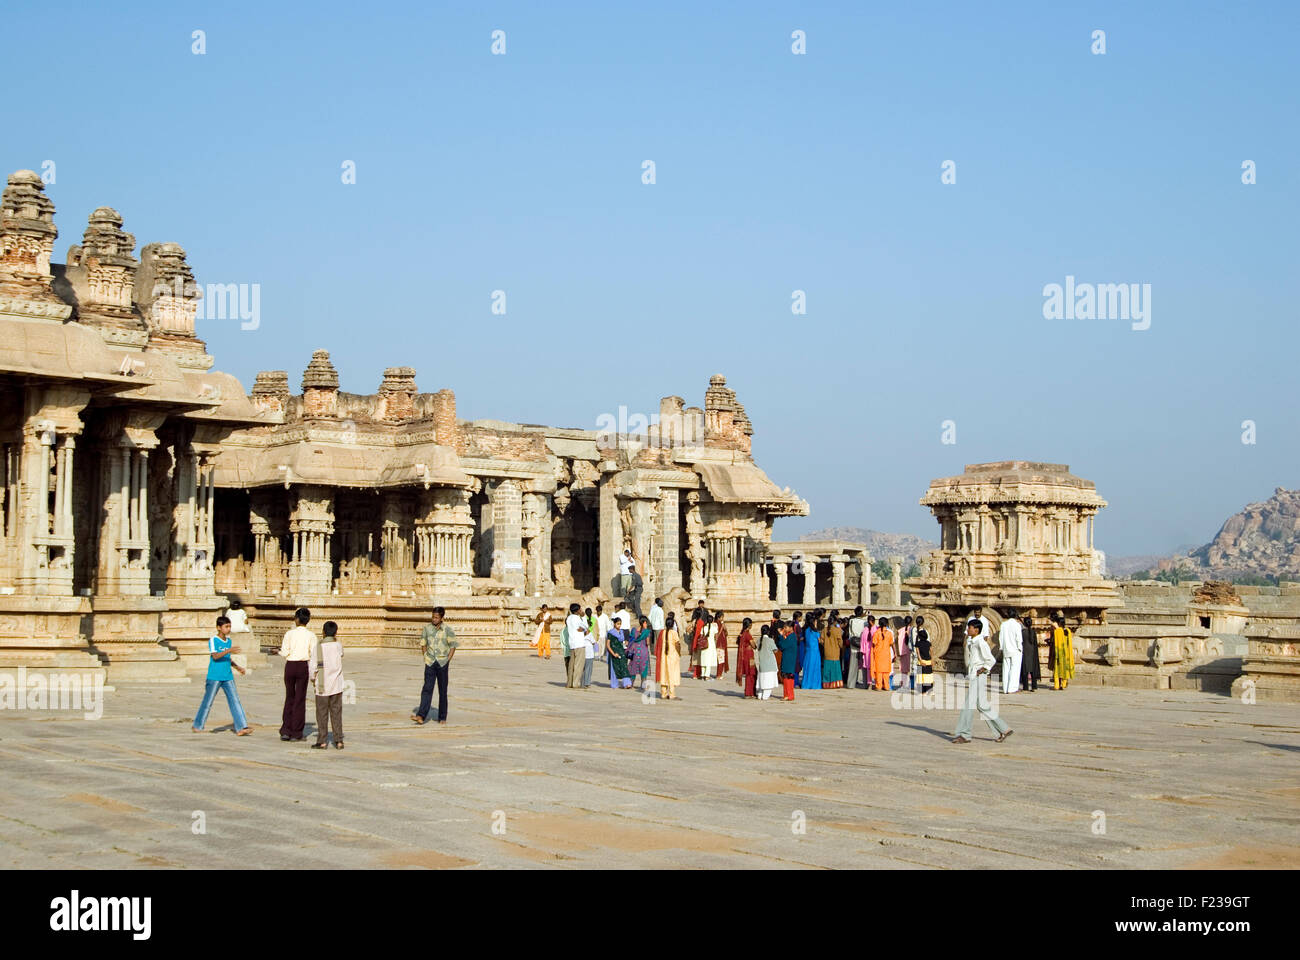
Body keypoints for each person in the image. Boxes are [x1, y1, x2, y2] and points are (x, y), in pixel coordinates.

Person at [952, 618, 1012, 744]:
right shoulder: (972, 641)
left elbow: (991, 660)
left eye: (970, 628)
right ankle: (1003, 729)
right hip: (975, 675)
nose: (968, 629)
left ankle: (964, 734)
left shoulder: (980, 643)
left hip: (979, 676)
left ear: (976, 630)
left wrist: (983, 669)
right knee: (981, 705)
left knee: (968, 705)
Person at [193, 615, 252, 735]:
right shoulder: (213, 640)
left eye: (229, 626)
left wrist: (237, 667)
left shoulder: (229, 641)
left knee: (235, 701)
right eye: (226, 626)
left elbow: (227, 658)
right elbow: (215, 656)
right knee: (208, 702)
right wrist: (229, 650)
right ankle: (198, 725)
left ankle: (241, 727)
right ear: (219, 628)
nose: (228, 629)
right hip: (214, 677)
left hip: (227, 676)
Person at [412, 607, 457, 724]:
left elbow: (453, 645)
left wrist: (448, 659)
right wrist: (425, 657)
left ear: (442, 618)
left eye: (437, 617)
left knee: (442, 690)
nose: (434, 619)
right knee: (427, 688)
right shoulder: (427, 629)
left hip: (442, 663)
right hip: (430, 662)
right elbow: (423, 643)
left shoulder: (447, 630)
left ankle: (442, 717)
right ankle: (421, 715)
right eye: (433, 617)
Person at [278, 607, 316, 741]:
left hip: (290, 665)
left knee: (289, 697)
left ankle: (286, 730)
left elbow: (284, 652)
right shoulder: (311, 635)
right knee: (300, 699)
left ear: (296, 619)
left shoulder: (289, 634)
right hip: (302, 666)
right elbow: (313, 654)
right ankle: (296, 732)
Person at [312, 620, 345, 749]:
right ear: (335, 633)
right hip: (336, 685)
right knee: (336, 713)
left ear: (323, 632)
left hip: (322, 685)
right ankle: (339, 740)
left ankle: (322, 740)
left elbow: (313, 666)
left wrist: (312, 679)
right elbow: (341, 654)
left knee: (322, 713)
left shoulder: (318, 647)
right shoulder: (338, 646)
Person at [655, 612, 682, 700]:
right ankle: (672, 693)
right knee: (671, 674)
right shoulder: (674, 633)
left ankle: (663, 693)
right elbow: (677, 644)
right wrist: (679, 653)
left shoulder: (662, 632)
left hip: (664, 657)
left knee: (664, 673)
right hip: (672, 656)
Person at [564, 603, 589, 689]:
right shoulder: (577, 618)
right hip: (579, 643)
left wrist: (582, 629)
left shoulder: (568, 618)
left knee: (572, 664)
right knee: (578, 665)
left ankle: (569, 682)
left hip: (572, 643)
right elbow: (586, 626)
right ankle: (575, 683)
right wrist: (584, 617)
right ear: (577, 610)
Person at [999, 610, 1024, 694]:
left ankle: (1005, 688)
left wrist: (1002, 647)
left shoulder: (1003, 624)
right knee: (1015, 669)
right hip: (1015, 650)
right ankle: (1012, 688)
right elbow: (1018, 638)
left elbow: (1001, 638)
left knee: (1006, 669)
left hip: (1006, 649)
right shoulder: (1017, 625)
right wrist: (1020, 648)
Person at [606, 619, 632, 689]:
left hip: (621, 652)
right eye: (617, 624)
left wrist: (625, 643)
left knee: (624, 667)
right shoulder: (610, 633)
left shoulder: (621, 632)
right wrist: (613, 653)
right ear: (614, 624)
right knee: (614, 668)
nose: (619, 625)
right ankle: (614, 684)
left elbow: (622, 642)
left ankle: (627, 683)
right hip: (614, 652)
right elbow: (608, 644)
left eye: (620, 624)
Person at [776, 622, 799, 701]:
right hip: (789, 658)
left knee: (787, 677)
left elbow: (782, 646)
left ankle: (787, 695)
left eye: (786, 628)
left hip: (788, 659)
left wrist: (781, 636)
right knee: (788, 677)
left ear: (791, 628)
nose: (784, 629)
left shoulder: (791, 637)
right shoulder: (791, 636)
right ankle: (789, 695)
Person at [756, 624, 779, 700]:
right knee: (768, 682)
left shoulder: (759, 640)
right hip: (770, 664)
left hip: (762, 664)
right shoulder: (770, 640)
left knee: (761, 680)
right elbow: (775, 650)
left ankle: (760, 695)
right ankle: (765, 696)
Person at [628, 616, 652, 690]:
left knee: (633, 668)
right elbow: (647, 643)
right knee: (643, 669)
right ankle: (643, 685)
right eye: (646, 623)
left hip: (635, 652)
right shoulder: (646, 632)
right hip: (643, 652)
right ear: (644, 623)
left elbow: (630, 639)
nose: (646, 624)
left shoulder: (634, 630)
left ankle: (631, 684)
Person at [1051, 615, 1074, 690]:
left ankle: (1057, 685)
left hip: (1059, 653)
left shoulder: (1057, 631)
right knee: (1065, 669)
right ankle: (1064, 684)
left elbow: (1054, 641)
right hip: (1066, 653)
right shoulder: (1068, 631)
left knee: (1057, 670)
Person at [871, 616, 894, 691]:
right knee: (886, 671)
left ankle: (879, 686)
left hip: (878, 654)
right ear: (886, 624)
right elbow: (891, 643)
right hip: (886, 654)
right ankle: (886, 686)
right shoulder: (889, 633)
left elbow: (874, 643)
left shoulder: (876, 633)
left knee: (879, 671)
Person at [736, 617, 757, 698]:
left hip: (744, 656)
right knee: (750, 674)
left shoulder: (742, 633)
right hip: (749, 656)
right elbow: (753, 645)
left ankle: (749, 692)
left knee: (750, 674)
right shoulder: (747, 634)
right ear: (749, 625)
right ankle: (749, 693)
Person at [800, 617, 823, 689]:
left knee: (808, 667)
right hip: (815, 652)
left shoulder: (806, 631)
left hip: (808, 651)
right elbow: (820, 641)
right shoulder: (816, 632)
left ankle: (807, 683)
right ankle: (814, 684)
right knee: (815, 668)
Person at [1020, 614, 1041, 692]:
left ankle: (1025, 687)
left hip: (1025, 652)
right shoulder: (1033, 632)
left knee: (1025, 670)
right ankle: (1034, 686)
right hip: (1032, 653)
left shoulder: (1022, 632)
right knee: (1033, 670)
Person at [822, 617, 844, 689]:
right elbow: (840, 642)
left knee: (827, 668)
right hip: (835, 652)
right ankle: (835, 684)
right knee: (835, 669)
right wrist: (841, 647)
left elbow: (821, 641)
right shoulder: (837, 630)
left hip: (827, 652)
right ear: (834, 622)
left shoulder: (824, 630)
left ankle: (826, 684)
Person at [846, 606, 865, 689]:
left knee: (853, 664)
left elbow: (850, 633)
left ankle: (851, 684)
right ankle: (864, 683)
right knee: (864, 665)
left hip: (853, 643)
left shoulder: (851, 621)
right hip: (862, 644)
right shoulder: (864, 622)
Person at [914, 616, 934, 693]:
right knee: (928, 676)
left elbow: (918, 653)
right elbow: (931, 651)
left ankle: (922, 691)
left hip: (921, 662)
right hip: (928, 661)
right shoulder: (929, 643)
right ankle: (929, 690)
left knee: (920, 677)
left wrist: (920, 660)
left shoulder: (918, 644)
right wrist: (932, 659)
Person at [897, 616, 913, 690]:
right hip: (910, 652)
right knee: (912, 669)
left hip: (902, 652)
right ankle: (911, 685)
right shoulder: (912, 630)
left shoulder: (900, 630)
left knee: (904, 670)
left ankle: (903, 684)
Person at [714, 613, 729, 680]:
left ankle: (719, 674)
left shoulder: (722, 624)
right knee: (720, 660)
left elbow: (726, 634)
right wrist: (721, 627)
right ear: (719, 617)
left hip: (722, 644)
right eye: (722, 617)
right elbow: (716, 635)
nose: (723, 619)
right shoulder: (715, 624)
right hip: (719, 644)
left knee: (721, 660)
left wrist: (725, 628)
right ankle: (718, 675)